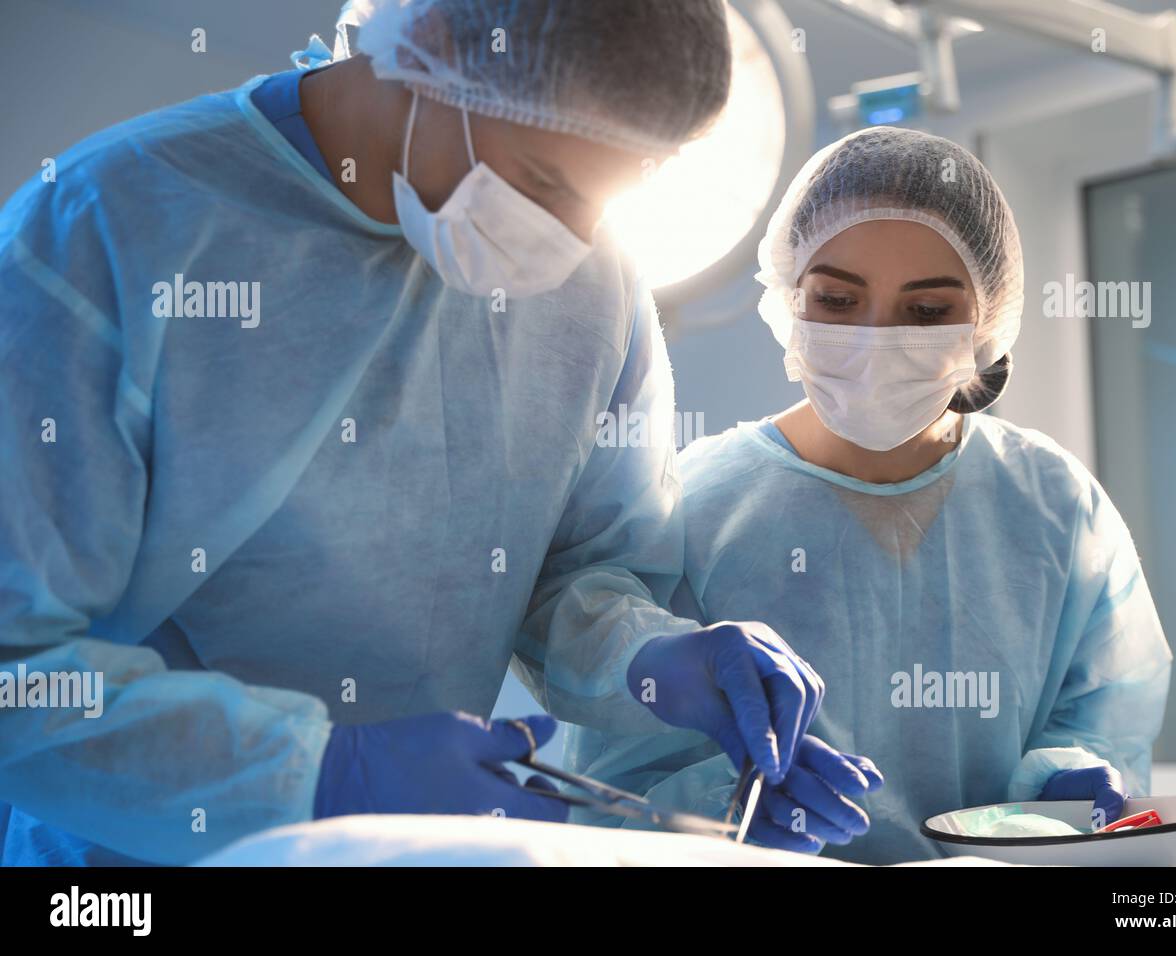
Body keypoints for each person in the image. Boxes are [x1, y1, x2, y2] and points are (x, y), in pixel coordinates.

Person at [0, 0, 830, 866]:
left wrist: (656, 655)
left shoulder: (598, 287)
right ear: (428, 55)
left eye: (608, 197)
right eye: (545, 183)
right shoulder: (107, 228)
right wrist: (323, 772)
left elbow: (582, 572)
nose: (573, 240)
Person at [566, 127, 1173, 862]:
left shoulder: (1054, 505)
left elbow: (1103, 715)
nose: (875, 336)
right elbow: (614, 795)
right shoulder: (693, 510)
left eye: (925, 313)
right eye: (837, 298)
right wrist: (722, 813)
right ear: (788, 300)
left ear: (990, 324)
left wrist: (1074, 776)